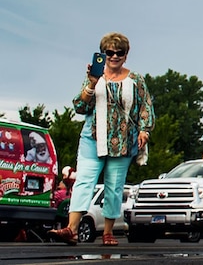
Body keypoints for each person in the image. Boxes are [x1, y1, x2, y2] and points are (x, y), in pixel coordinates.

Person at [48, 32, 154, 247]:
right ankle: (72, 229)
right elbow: (80, 107)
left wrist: (145, 130)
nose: (114, 56)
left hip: (123, 141)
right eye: (109, 52)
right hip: (92, 137)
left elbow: (146, 107)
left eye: (119, 52)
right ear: (103, 54)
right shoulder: (95, 77)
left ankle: (107, 232)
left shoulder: (136, 80)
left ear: (126, 55)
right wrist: (91, 84)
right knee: (84, 181)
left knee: (114, 187)